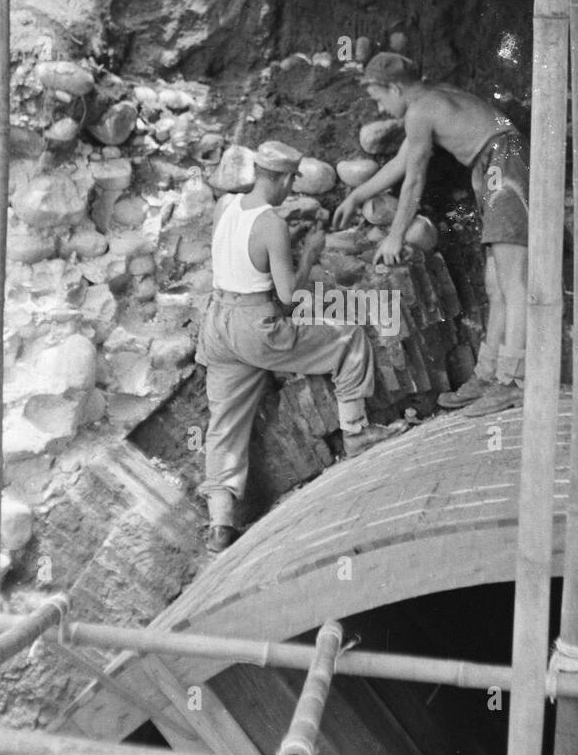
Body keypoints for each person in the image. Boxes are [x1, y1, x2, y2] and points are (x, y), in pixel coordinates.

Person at [196, 139, 397, 553]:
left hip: (217, 325)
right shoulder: (271, 224)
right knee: (349, 338)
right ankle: (356, 432)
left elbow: (237, 257)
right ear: (287, 179)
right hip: (255, 325)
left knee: (225, 423)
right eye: (292, 184)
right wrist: (310, 252)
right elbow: (289, 296)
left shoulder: (225, 206)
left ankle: (219, 523)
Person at [332, 52, 529, 416]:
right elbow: (401, 162)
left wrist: (395, 235)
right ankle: (489, 375)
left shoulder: (421, 110)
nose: (379, 106)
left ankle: (514, 383)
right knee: (495, 285)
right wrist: (358, 194)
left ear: (394, 88)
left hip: (505, 162)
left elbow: (415, 179)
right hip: (496, 161)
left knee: (513, 282)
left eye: (379, 98)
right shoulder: (428, 100)